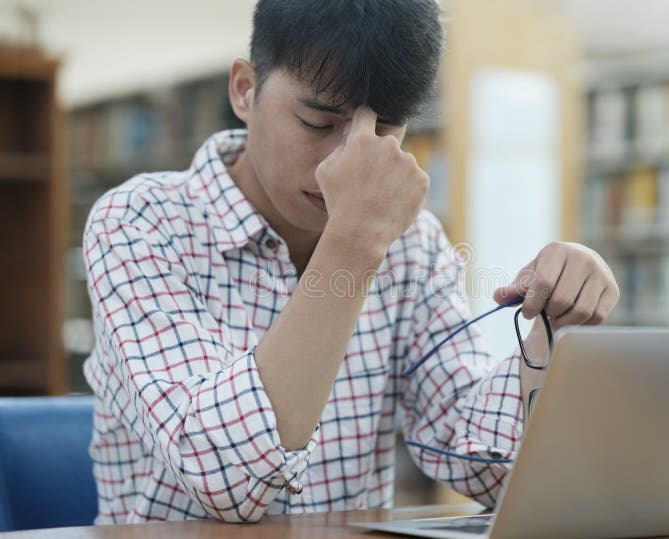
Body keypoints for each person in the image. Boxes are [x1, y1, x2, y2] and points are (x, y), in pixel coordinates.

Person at [82, 0, 620, 524]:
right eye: (318, 123)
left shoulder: (412, 241)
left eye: (385, 129)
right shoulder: (139, 223)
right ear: (245, 90)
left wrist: (556, 324)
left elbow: (486, 464)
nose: (347, 164)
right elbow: (227, 482)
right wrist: (355, 238)